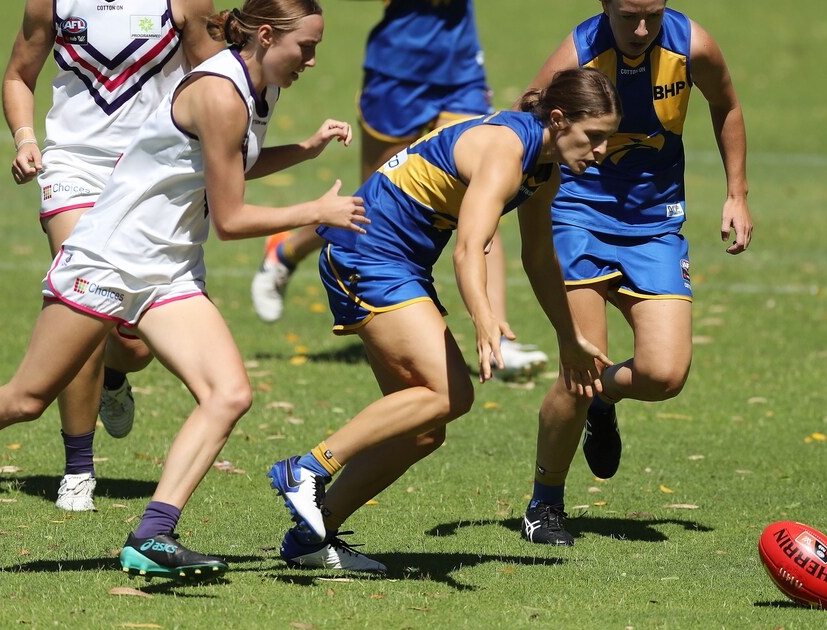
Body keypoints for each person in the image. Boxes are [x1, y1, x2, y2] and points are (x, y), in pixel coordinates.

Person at [0, 0, 368, 578]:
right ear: (265, 35)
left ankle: (152, 535)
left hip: (170, 268)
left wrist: (303, 151)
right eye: (306, 47)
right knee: (27, 399)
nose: (311, 60)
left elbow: (225, 163)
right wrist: (316, 210)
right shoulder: (219, 93)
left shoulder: (260, 87)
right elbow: (231, 220)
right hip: (108, 258)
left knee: (228, 393)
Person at [265, 67, 621, 573]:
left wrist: (571, 338)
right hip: (367, 252)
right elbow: (469, 249)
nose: (602, 150)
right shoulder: (505, 153)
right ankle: (306, 470)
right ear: (559, 120)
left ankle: (311, 536)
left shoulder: (544, 167)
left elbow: (540, 260)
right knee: (449, 394)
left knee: (423, 429)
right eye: (595, 136)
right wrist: (484, 318)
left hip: (397, 262)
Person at [517, 0, 754, 546]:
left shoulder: (694, 47)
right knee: (579, 369)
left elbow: (728, 106)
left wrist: (737, 193)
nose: (641, 29)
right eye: (628, 17)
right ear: (605, 6)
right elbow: (528, 115)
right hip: (578, 213)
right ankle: (544, 503)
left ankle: (604, 397)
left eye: (651, 14)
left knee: (664, 375)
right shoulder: (577, 51)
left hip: (654, 224)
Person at [250, 0, 551, 377]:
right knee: (375, 199)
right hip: (399, 65)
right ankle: (287, 250)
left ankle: (498, 340)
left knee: (487, 190)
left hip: (459, 66)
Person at [2, 0, 223, 511]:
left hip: (154, 173)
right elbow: (18, 75)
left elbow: (213, 84)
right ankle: (78, 467)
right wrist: (25, 138)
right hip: (73, 167)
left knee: (134, 346)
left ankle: (116, 372)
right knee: (84, 303)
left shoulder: (185, 3)